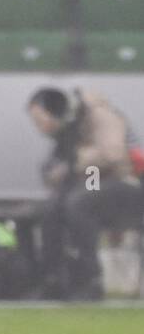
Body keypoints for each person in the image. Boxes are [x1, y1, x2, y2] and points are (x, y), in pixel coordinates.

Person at [28, 87, 144, 300]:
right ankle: (54, 278)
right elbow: (59, 171)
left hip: (128, 182)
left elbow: (112, 155)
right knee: (53, 208)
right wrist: (66, 170)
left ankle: (90, 278)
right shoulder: (70, 131)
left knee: (79, 203)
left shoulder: (100, 116)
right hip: (97, 180)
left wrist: (77, 161)